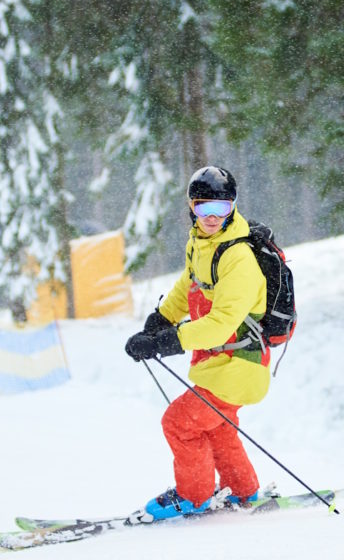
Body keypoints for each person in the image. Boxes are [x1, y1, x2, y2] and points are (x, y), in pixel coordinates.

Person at [124, 165, 271, 521]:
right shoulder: (202, 244)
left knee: (180, 422)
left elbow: (221, 324)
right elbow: (188, 285)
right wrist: (159, 320)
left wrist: (168, 341)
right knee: (218, 426)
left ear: (233, 206)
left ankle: (194, 495)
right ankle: (243, 490)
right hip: (222, 364)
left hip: (241, 365)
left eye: (222, 209)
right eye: (204, 208)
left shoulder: (238, 257)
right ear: (192, 207)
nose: (212, 218)